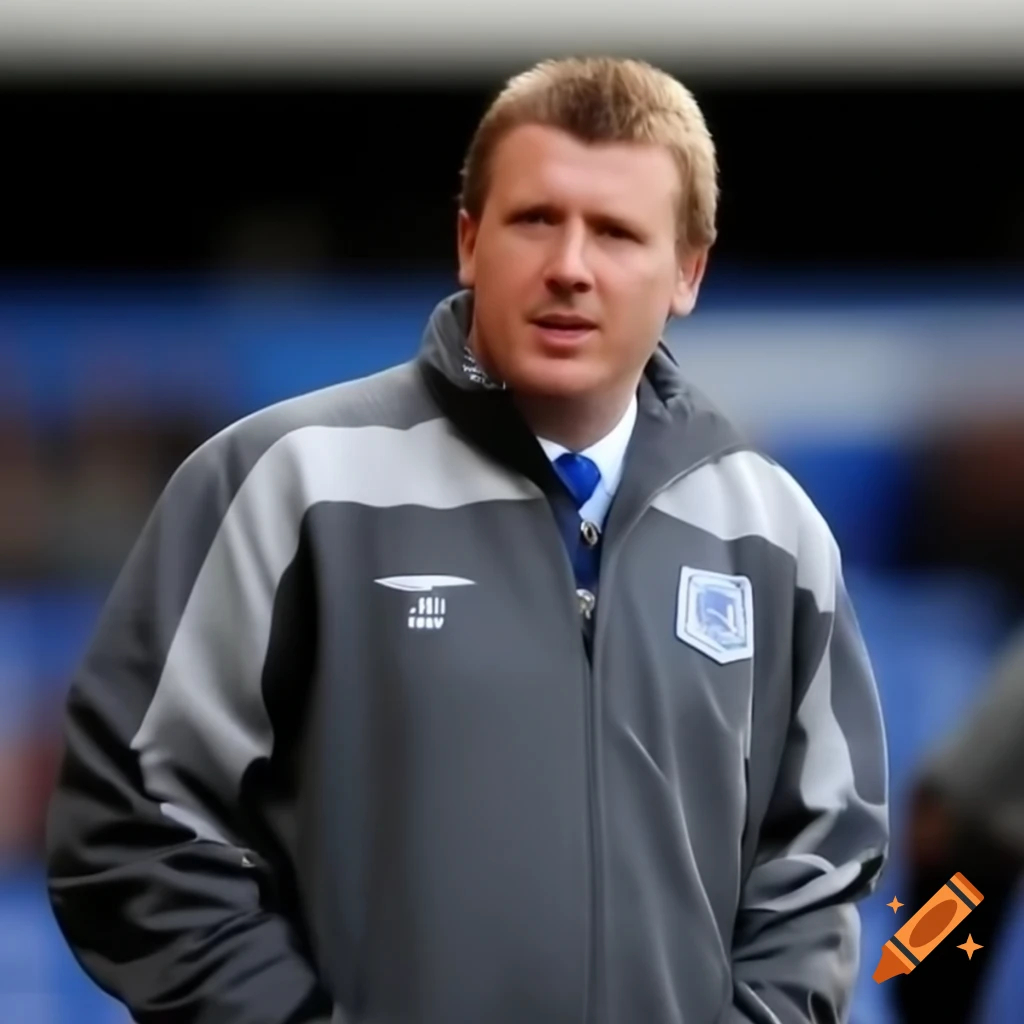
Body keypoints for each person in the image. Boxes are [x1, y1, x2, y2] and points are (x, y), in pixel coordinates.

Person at [46, 56, 889, 1024]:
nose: (569, 265)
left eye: (615, 232)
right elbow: (128, 826)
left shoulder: (770, 530)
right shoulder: (285, 484)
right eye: (536, 219)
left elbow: (825, 863)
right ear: (466, 240)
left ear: (687, 271)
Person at [894, 627, 1024, 1024]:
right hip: (984, 845)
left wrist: (940, 795)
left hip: (965, 844)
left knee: (927, 991)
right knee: (934, 989)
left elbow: (999, 724)